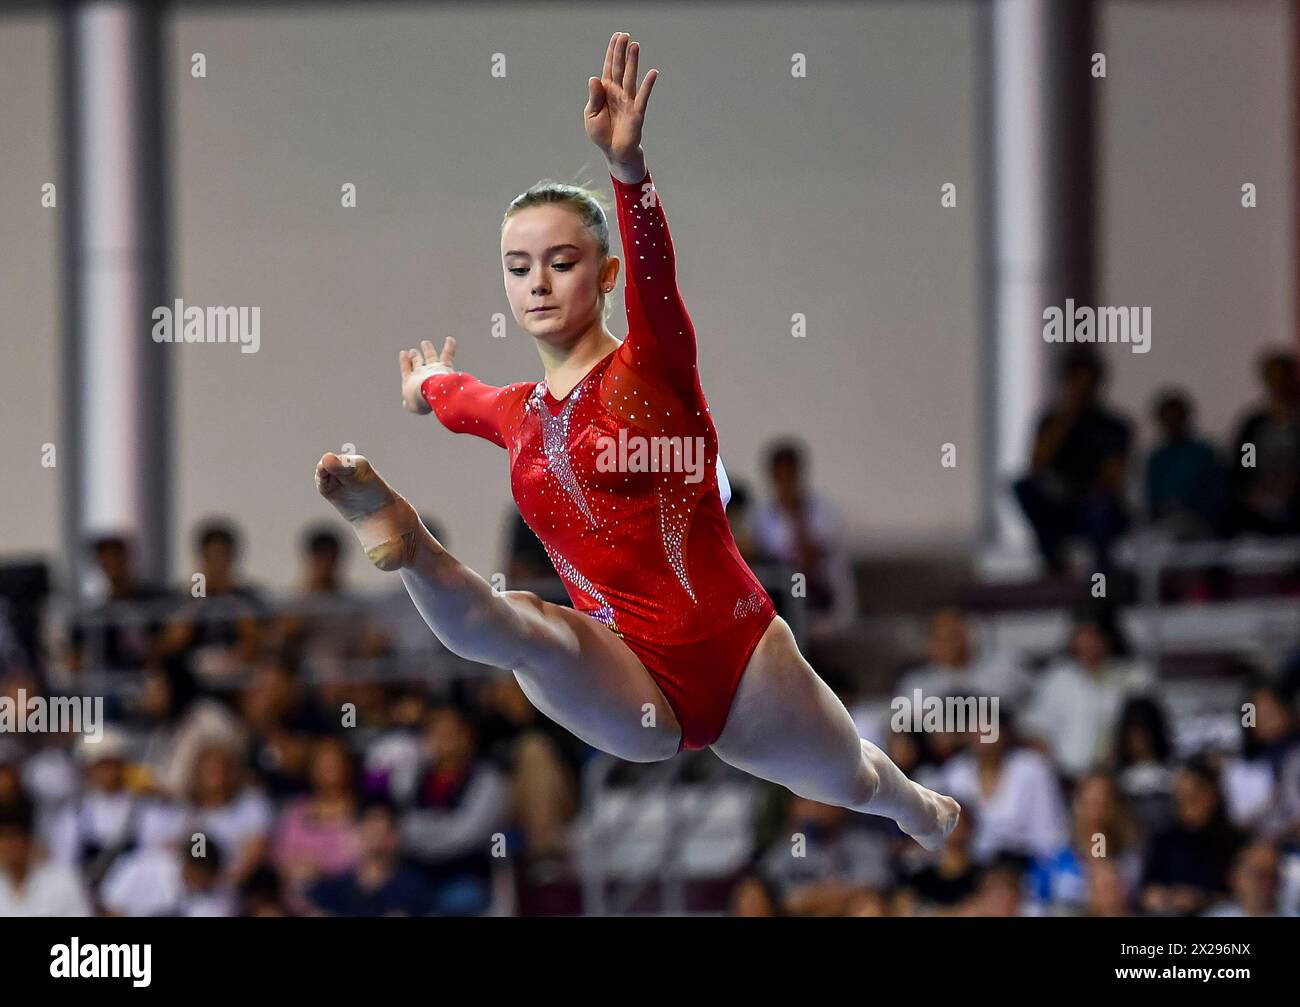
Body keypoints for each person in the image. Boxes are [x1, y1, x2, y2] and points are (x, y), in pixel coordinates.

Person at [311, 33, 959, 852]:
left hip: (740, 655)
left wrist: (628, 170)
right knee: (523, 629)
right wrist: (425, 387)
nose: (537, 283)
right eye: (518, 268)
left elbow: (660, 276)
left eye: (560, 262)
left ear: (604, 275)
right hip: (621, 671)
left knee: (857, 782)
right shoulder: (518, 412)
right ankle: (407, 542)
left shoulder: (652, 368)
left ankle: (918, 807)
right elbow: (462, 397)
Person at [1013, 350, 1134, 573]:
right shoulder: (1051, 421)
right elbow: (1036, 466)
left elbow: (1114, 476)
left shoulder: (1113, 426)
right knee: (1023, 488)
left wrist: (1087, 490)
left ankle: (1102, 572)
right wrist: (1065, 421)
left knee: (1100, 507)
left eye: (1087, 383)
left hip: (1096, 503)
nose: (1081, 390)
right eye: (1075, 382)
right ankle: (1053, 563)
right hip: (1060, 503)